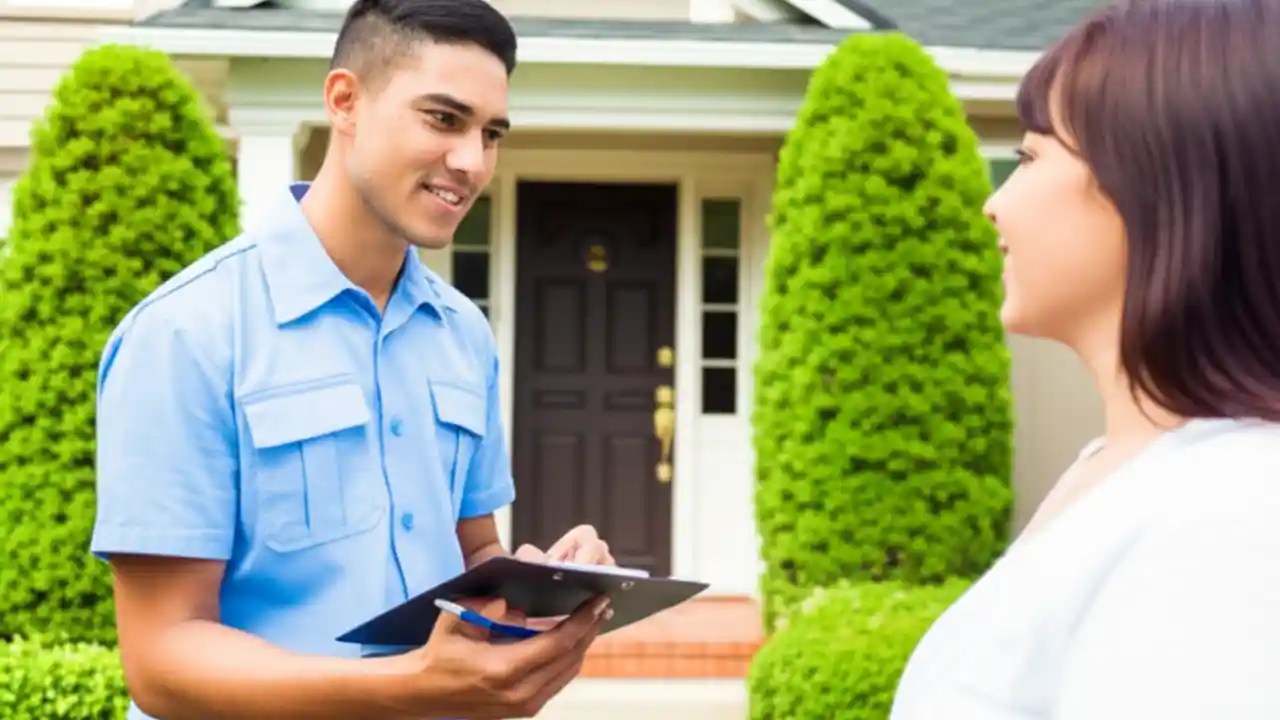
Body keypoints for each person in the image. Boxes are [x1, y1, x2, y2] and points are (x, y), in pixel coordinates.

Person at [89, 1, 617, 718]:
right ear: (345, 101)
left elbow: (471, 559)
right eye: (443, 118)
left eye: (491, 133)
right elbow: (162, 658)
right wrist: (412, 688)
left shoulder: (463, 334)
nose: (471, 161)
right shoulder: (187, 333)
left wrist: (542, 590)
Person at [889, 0, 1280, 718]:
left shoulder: (1233, 516)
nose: (994, 206)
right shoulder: (1122, 472)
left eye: (1032, 156)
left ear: (1156, 185)